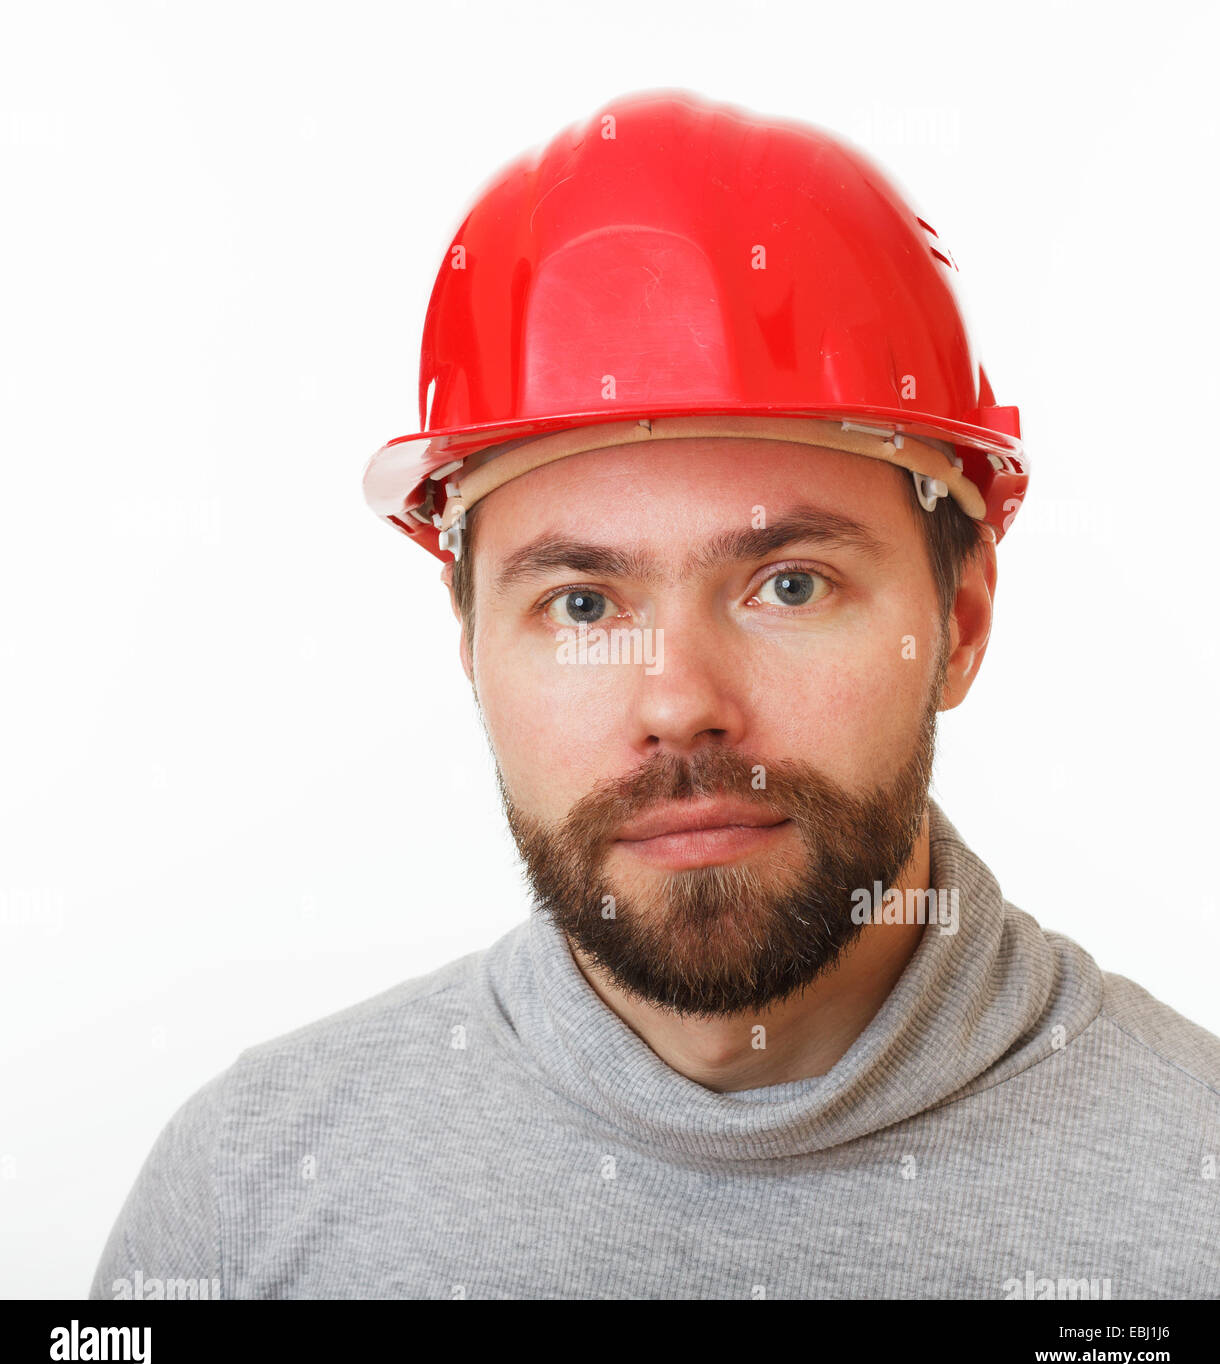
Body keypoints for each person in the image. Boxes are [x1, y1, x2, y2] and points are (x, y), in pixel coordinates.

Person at [90, 90, 1220, 1301]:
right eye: (581, 603)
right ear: (472, 646)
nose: (678, 703)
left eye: (788, 584)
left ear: (960, 621)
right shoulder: (246, 1197)